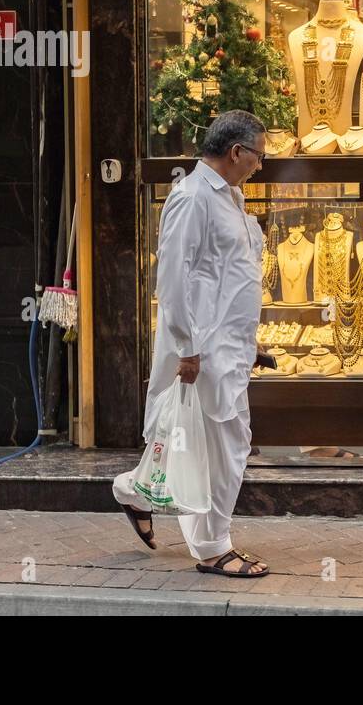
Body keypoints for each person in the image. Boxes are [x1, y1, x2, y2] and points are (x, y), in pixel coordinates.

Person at [112, 110, 273, 577]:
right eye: (258, 156)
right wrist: (185, 349)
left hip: (229, 346)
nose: (260, 166)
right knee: (226, 445)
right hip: (203, 352)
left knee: (208, 441)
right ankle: (212, 547)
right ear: (236, 152)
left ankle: (134, 491)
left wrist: (250, 340)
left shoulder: (231, 199)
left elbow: (229, 279)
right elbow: (175, 279)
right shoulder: (192, 197)